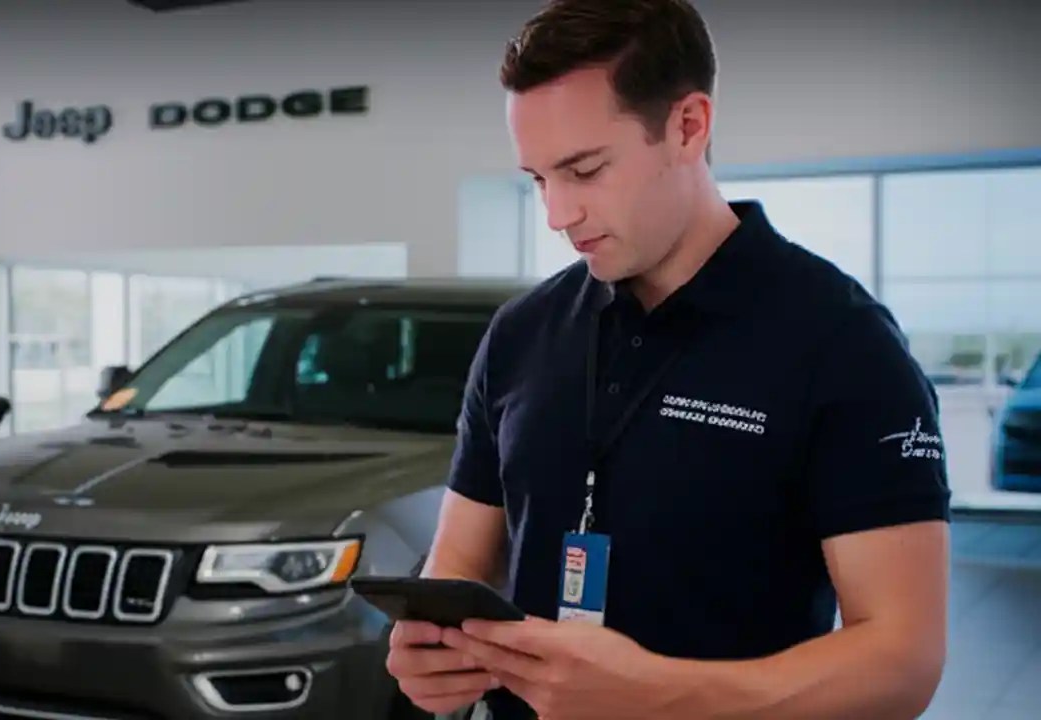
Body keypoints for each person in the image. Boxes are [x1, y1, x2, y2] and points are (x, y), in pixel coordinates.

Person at [384, 0, 951, 718]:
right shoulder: (520, 333)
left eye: (585, 170)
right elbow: (459, 566)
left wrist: (655, 696)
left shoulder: (842, 341)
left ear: (688, 126)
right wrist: (434, 652)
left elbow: (903, 660)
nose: (557, 214)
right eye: (538, 179)